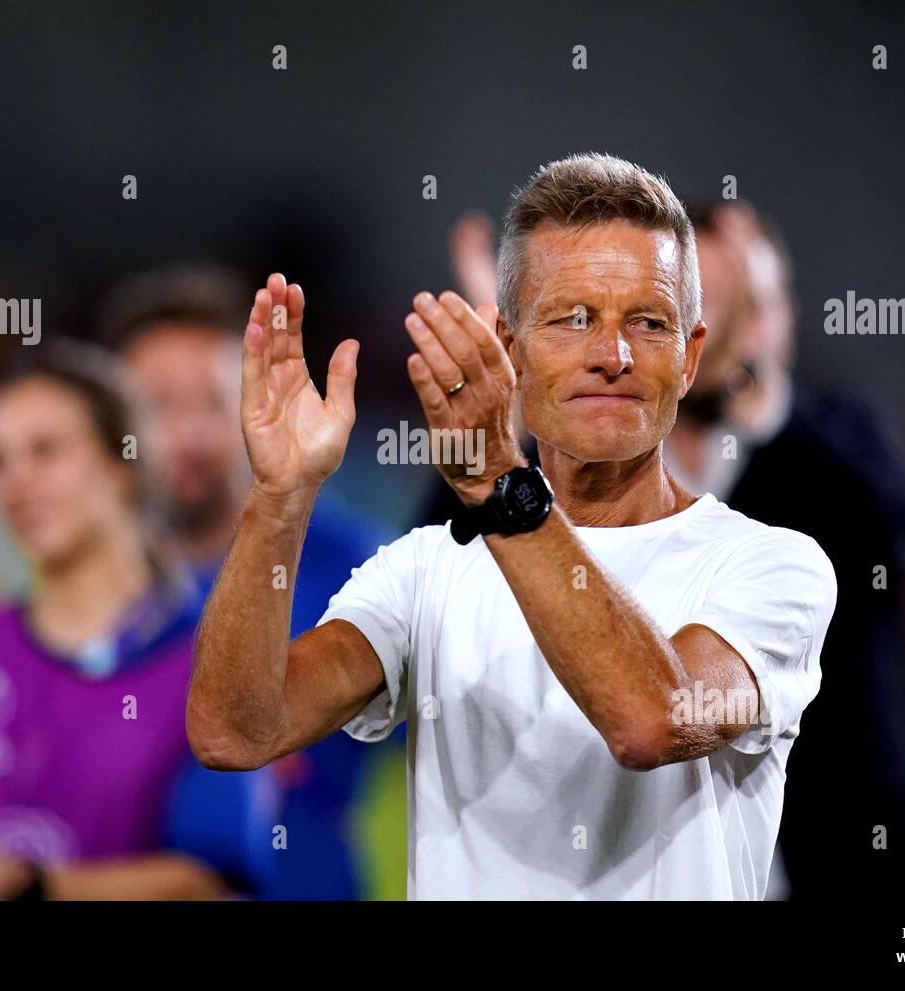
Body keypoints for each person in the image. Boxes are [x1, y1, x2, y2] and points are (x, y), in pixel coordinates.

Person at [186, 153, 837, 899]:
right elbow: (235, 731)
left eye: (648, 323)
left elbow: (651, 719)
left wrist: (501, 485)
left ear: (689, 358)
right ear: (511, 345)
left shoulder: (773, 565)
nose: (613, 355)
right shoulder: (426, 569)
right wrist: (280, 494)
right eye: (572, 318)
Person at [0, 340, 277, 900]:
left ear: (122, 467)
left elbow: (213, 878)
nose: (16, 481)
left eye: (45, 451)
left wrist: (40, 889)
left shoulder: (207, 660)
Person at [676, 202, 905, 900]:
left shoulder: (837, 440)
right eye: (712, 299)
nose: (742, 323)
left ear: (787, 315)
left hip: (854, 841)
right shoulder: (607, 469)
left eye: (760, 298)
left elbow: (897, 530)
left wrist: (772, 415)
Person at [98, 266, 396, 900]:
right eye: (157, 407)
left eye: (213, 400)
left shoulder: (359, 567)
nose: (189, 435)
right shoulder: (83, 586)